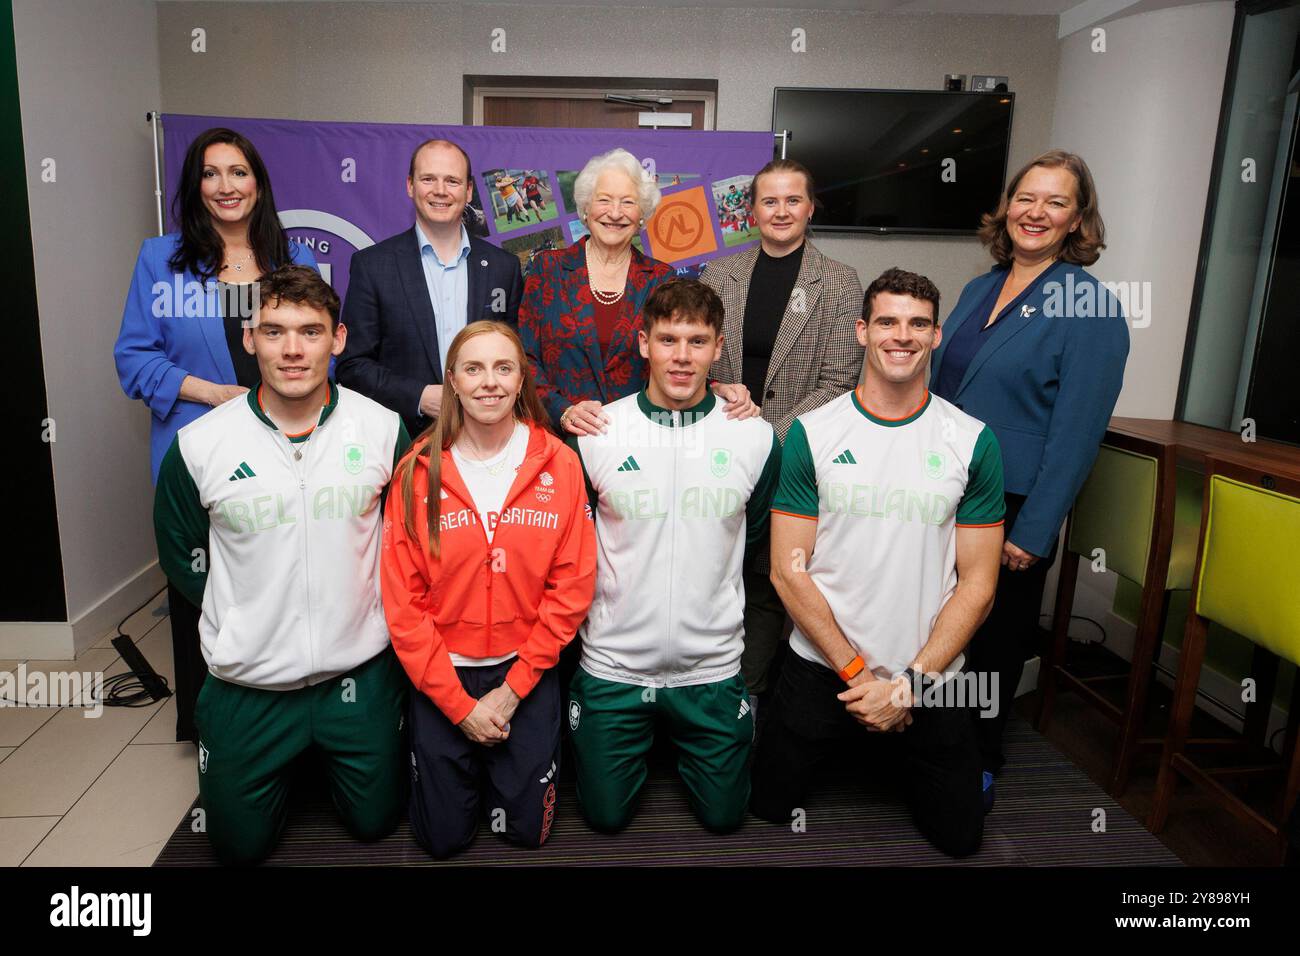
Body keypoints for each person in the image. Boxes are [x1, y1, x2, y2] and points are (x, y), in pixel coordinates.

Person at [153, 266, 410, 865]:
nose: (293, 349)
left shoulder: (381, 429)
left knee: (376, 824)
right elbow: (182, 555)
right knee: (237, 849)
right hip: (249, 683)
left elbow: (407, 546)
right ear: (250, 340)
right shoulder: (200, 445)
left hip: (358, 674)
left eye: (310, 331)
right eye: (274, 332)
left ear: (338, 339)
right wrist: (246, 614)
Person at [750, 268, 1005, 857]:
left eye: (918, 324)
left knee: (961, 839)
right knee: (766, 808)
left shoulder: (971, 441)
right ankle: (867, 739)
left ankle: (912, 752)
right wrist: (861, 677)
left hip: (930, 674)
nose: (902, 335)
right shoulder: (811, 434)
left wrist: (909, 688)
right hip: (826, 663)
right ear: (863, 331)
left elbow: (980, 585)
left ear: (936, 337)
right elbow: (789, 570)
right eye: (887, 321)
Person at [929, 149, 1129, 783]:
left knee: (995, 636)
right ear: (1007, 206)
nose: (1036, 212)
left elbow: (1077, 433)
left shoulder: (1089, 307)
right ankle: (930, 742)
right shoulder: (979, 287)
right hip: (943, 490)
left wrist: (1035, 529)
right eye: (1026, 198)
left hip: (1011, 504)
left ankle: (979, 759)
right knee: (938, 620)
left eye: (1056, 202)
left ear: (1077, 220)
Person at [115, 126, 317, 744]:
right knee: (203, 586)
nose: (226, 186)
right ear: (194, 185)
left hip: (285, 453)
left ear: (258, 182)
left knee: (276, 580)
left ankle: (287, 714)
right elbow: (133, 359)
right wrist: (216, 396)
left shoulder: (294, 263)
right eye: (211, 173)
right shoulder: (161, 260)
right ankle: (209, 727)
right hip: (198, 451)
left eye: (238, 172)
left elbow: (310, 354)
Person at [567, 279, 781, 833]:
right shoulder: (597, 433)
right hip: (614, 666)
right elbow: (574, 545)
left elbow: (752, 537)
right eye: (667, 340)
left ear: (717, 347)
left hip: (708, 669)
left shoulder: (754, 438)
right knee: (604, 819)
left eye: (697, 341)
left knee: (725, 819)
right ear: (643, 345)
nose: (682, 357)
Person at [381, 322, 595, 858]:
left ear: (523, 379)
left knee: (527, 833)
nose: (489, 383)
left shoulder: (560, 463)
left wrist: (513, 689)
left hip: (527, 668)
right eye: (473, 369)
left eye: (504, 368)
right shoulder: (416, 471)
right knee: (441, 841)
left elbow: (572, 587)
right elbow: (402, 605)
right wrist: (458, 705)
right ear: (451, 380)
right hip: (441, 670)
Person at [699, 158, 864, 704]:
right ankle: (704, 687)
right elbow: (700, 359)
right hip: (719, 445)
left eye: (793, 200)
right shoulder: (719, 275)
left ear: (810, 207)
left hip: (794, 453)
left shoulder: (838, 281)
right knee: (713, 567)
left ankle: (748, 699)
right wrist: (727, 398)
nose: (781, 211)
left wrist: (771, 433)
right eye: (769, 201)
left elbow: (841, 378)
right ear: (751, 211)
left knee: (774, 579)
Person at [519, 147, 758, 438]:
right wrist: (562, 410)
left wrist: (716, 388)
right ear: (585, 209)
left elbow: (675, 353)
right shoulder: (548, 269)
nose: (615, 213)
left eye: (628, 202)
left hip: (639, 439)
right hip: (560, 439)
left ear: (642, 215)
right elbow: (523, 358)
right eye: (604, 200)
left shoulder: (660, 279)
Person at [337, 139, 523, 439]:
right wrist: (420, 397)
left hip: (490, 439)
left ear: (469, 190)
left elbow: (516, 357)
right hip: (405, 442)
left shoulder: (504, 268)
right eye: (428, 179)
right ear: (410, 186)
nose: (440, 190)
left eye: (452, 180)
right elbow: (352, 366)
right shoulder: (373, 266)